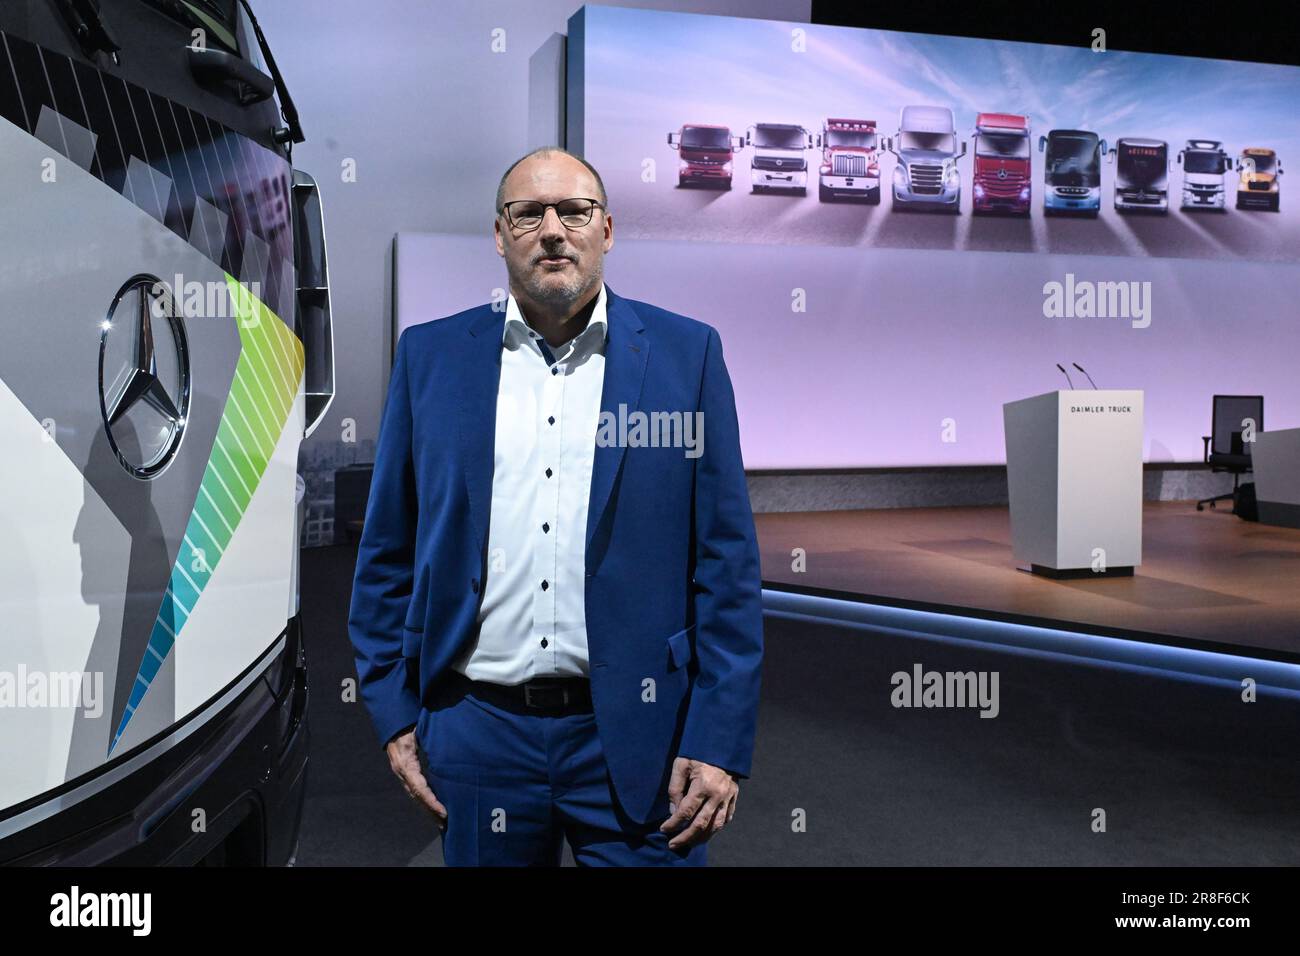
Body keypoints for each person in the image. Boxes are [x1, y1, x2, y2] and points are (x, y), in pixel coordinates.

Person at [348, 146, 763, 866]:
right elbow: (387, 552)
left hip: (644, 735)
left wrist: (718, 738)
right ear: (500, 234)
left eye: (573, 211)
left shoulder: (685, 356)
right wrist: (392, 713)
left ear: (606, 229)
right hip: (477, 736)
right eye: (528, 213)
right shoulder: (432, 358)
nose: (552, 230)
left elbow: (726, 565)